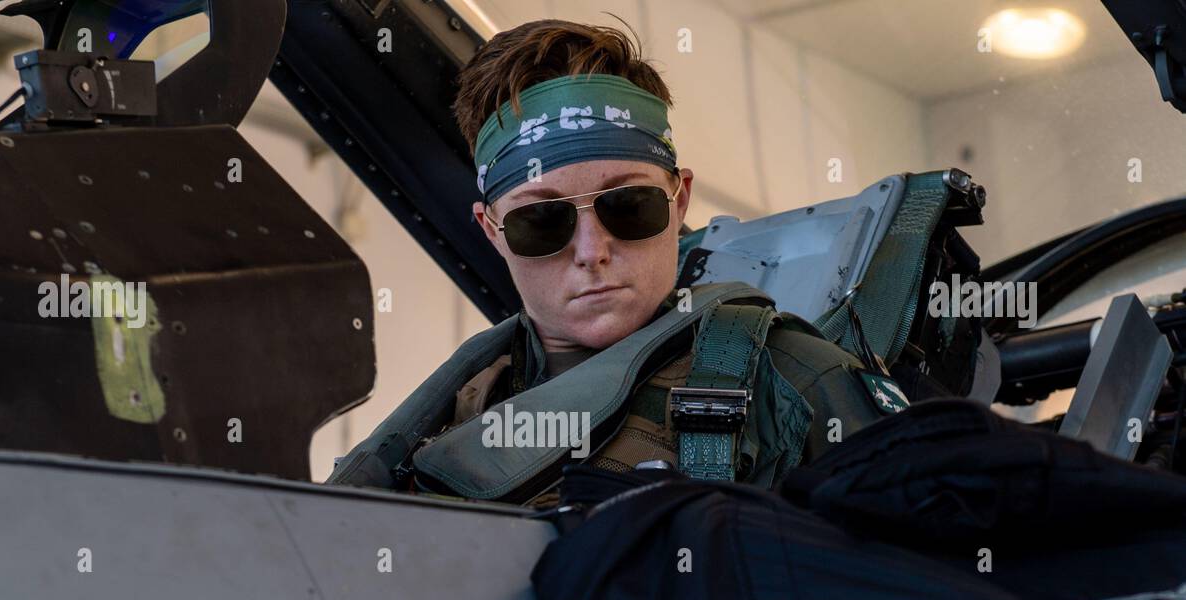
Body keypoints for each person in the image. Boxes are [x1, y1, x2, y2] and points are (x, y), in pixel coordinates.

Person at [331, 19, 904, 506]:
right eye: (542, 221)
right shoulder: (459, 411)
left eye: (629, 206)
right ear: (492, 231)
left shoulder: (798, 383)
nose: (591, 251)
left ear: (679, 202)